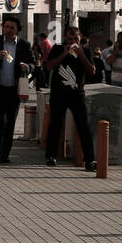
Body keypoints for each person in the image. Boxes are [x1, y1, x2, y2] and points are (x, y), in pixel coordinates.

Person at [44, 24, 97, 171]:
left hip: (77, 94)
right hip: (59, 93)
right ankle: (51, 156)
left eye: (75, 38)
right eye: (70, 38)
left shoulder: (85, 50)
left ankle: (90, 159)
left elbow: (92, 71)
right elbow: (48, 66)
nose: (73, 41)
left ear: (80, 39)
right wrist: (63, 54)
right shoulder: (58, 49)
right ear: (65, 39)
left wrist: (81, 55)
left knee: (83, 126)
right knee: (55, 124)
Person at [0, 15, 34, 164]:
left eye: (12, 27)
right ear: (2, 27)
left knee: (10, 121)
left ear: (18, 30)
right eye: (6, 26)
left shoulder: (24, 44)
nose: (9, 30)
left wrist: (27, 67)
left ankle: (5, 154)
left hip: (15, 88)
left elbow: (33, 64)